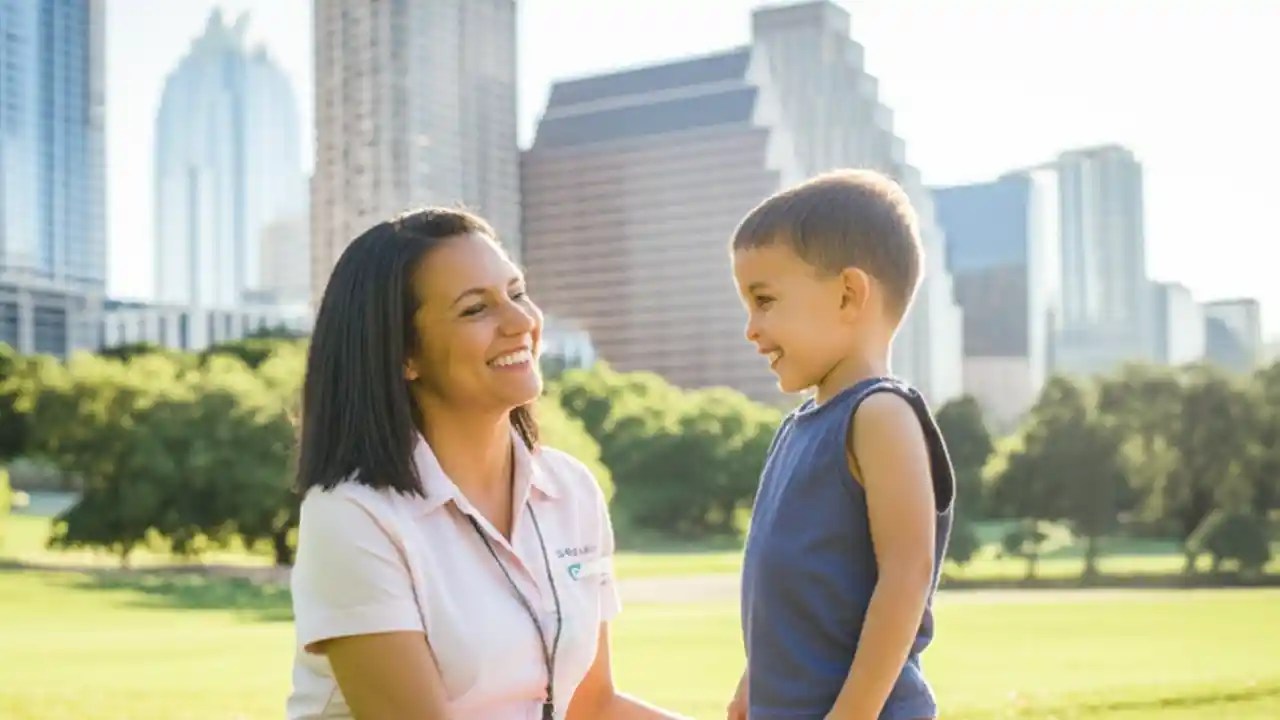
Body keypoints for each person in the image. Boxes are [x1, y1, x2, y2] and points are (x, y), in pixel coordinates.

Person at [287, 207, 687, 720]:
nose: (522, 322)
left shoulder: (571, 488)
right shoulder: (352, 516)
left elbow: (590, 707)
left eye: (517, 293)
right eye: (476, 309)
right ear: (404, 355)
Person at [726, 170, 956, 720]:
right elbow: (793, 588)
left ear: (849, 294)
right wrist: (752, 681)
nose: (751, 329)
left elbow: (906, 575)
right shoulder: (799, 427)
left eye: (764, 300)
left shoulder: (879, 414)